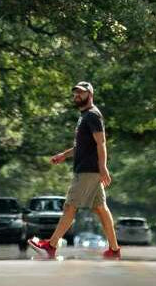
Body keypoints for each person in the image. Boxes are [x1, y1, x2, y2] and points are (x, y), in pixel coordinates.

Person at [28, 81, 121, 260]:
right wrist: (64, 155)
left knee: (70, 206)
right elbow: (82, 145)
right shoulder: (84, 116)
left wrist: (103, 168)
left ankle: (51, 246)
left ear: (90, 94)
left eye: (81, 92)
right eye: (75, 93)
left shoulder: (93, 115)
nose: (77, 95)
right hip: (88, 169)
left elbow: (101, 143)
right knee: (101, 209)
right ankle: (114, 250)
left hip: (87, 171)